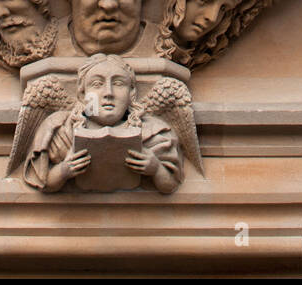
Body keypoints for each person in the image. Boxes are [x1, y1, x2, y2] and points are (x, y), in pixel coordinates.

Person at [22, 54, 183, 194]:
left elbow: (170, 184)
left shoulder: (154, 132)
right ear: (82, 93)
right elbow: (44, 182)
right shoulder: (60, 129)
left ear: (132, 93)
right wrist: (64, 169)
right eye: (97, 84)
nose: (108, 93)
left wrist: (155, 168)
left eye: (119, 83)